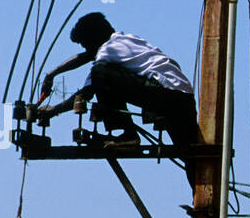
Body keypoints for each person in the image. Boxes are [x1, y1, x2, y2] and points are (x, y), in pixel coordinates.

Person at [37, 12, 199, 185]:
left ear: (94, 40)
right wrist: (52, 74)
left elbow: (85, 92)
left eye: (86, 45)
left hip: (165, 94)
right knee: (193, 157)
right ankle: (203, 205)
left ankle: (128, 135)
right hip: (181, 97)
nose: (86, 51)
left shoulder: (107, 51)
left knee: (100, 74)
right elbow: (84, 57)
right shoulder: (124, 41)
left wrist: (53, 111)